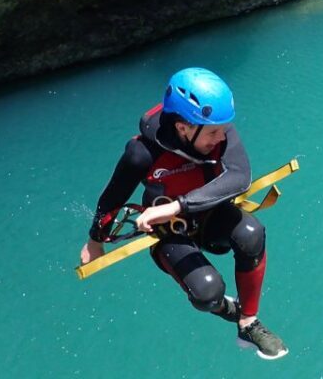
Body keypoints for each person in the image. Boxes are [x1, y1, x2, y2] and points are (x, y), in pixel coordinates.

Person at [79, 67, 288, 359]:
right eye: (213, 132)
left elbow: (239, 177)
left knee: (252, 234)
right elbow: (114, 195)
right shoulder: (142, 154)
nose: (221, 137)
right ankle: (226, 309)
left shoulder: (219, 129)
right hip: (169, 232)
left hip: (208, 213)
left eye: (224, 128)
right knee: (207, 293)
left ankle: (248, 323)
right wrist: (95, 239)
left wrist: (176, 206)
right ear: (183, 127)